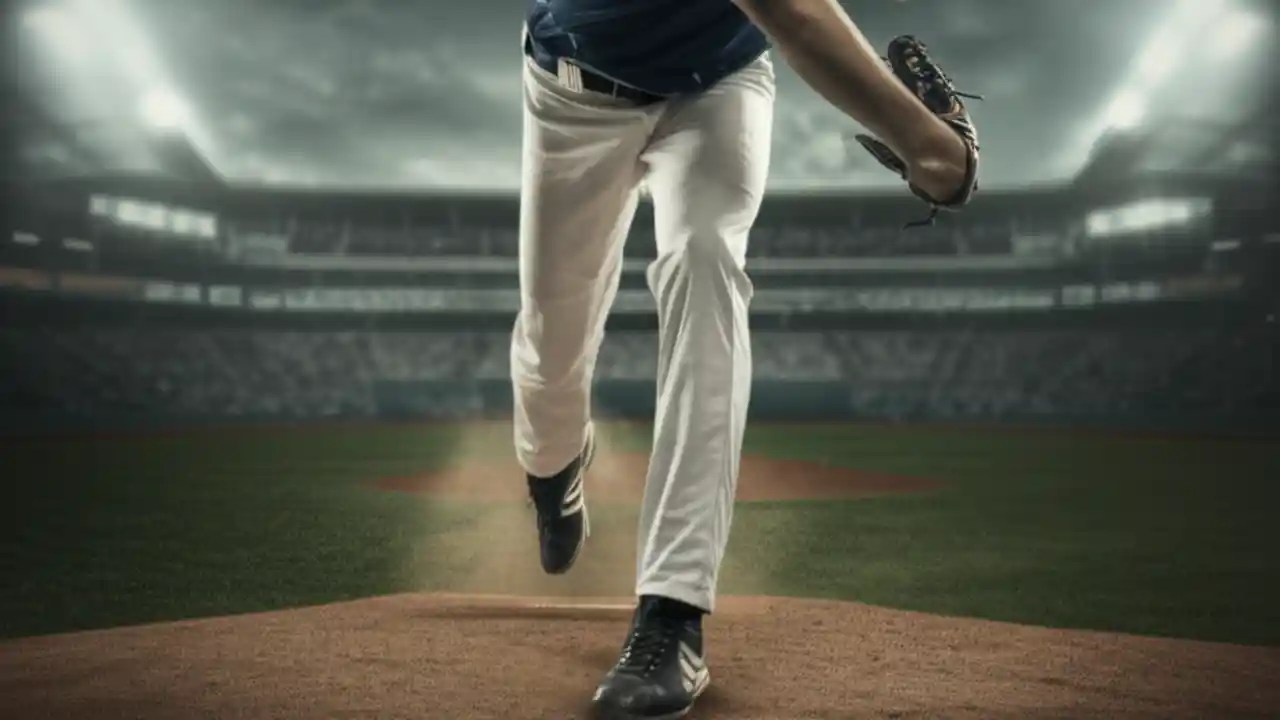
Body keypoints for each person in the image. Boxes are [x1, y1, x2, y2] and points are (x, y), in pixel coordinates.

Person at [511, 0, 980, 716]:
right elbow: (794, 14)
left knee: (707, 263)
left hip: (718, 86)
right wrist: (930, 144)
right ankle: (554, 471)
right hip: (573, 97)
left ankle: (673, 613)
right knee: (552, 343)